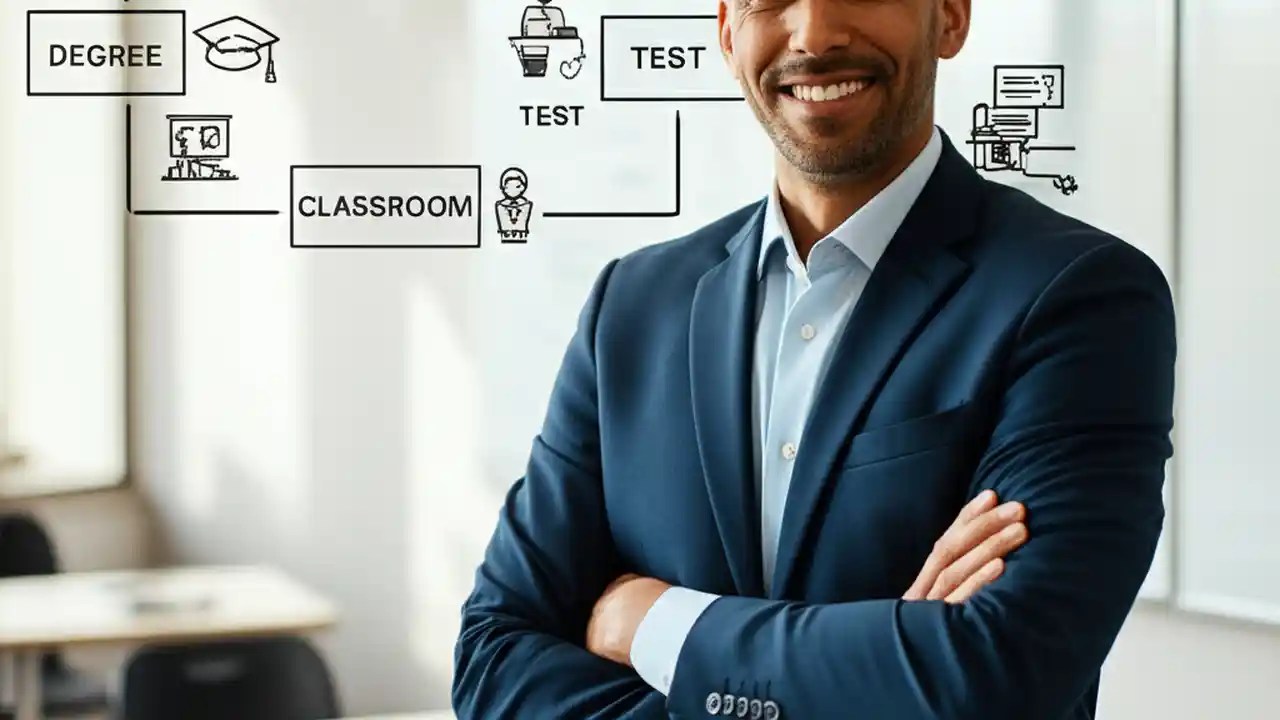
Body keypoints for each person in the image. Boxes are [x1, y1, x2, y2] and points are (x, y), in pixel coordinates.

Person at [454, 1, 1175, 718]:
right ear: (729, 31)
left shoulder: (1080, 296)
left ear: (950, 17)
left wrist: (656, 624)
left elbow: (996, 671)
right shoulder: (633, 307)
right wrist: (879, 664)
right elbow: (493, 661)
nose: (815, 33)